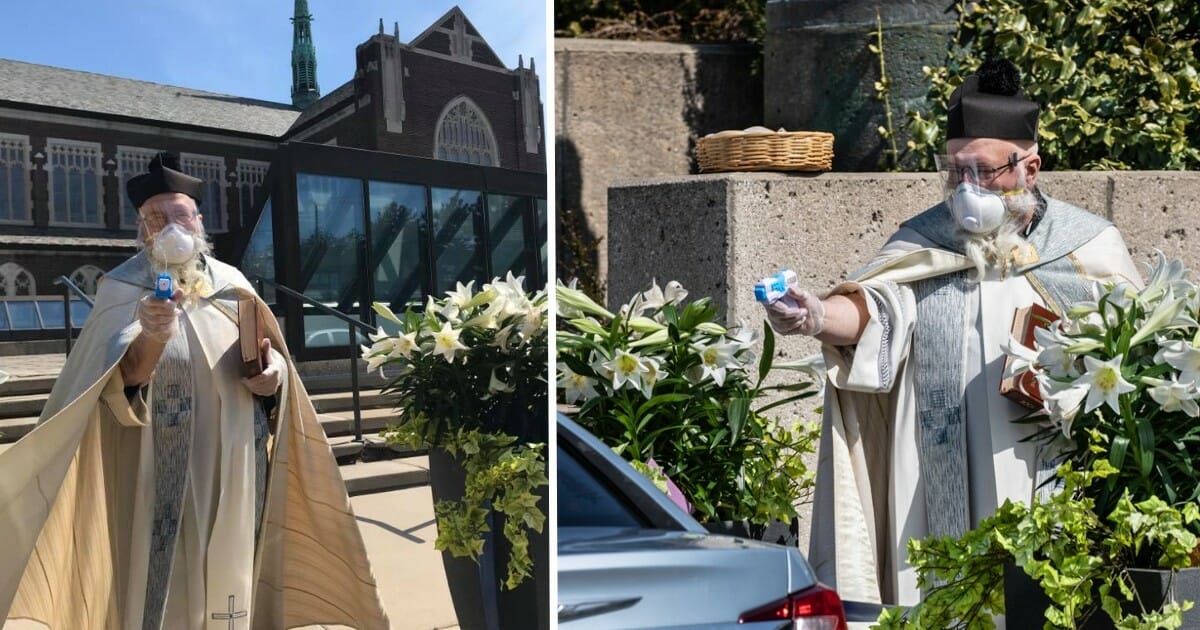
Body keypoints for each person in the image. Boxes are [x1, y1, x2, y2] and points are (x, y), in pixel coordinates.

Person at [763, 59, 1143, 606]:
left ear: (1030, 168)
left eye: (984, 172)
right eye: (956, 171)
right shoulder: (925, 240)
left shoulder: (1088, 245)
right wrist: (816, 317)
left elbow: (1130, 350)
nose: (967, 187)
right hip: (935, 463)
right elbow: (875, 310)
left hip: (1050, 466)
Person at [0, 153, 389, 628]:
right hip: (151, 463)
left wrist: (274, 378)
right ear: (141, 230)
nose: (168, 226)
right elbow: (109, 384)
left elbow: (273, 361)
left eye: (179, 214)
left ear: (199, 220)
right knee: (161, 580)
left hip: (234, 459)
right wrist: (150, 336)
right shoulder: (120, 290)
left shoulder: (234, 284)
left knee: (234, 573)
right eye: (154, 218)